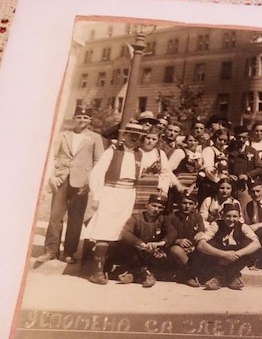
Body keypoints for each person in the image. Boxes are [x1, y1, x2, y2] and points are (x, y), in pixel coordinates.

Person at [37, 105, 104, 264]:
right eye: (79, 117)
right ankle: (51, 251)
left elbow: (98, 162)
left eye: (85, 118)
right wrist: (52, 176)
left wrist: (90, 182)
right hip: (61, 179)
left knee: (75, 218)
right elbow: (52, 157)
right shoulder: (63, 135)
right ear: (74, 119)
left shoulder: (94, 138)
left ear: (90, 120)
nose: (82, 120)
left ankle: (69, 252)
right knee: (55, 216)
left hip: (82, 182)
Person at [85, 122, 147, 284]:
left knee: (122, 231)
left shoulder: (140, 154)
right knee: (104, 229)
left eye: (138, 136)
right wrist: (97, 196)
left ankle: (115, 269)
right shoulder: (112, 151)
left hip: (128, 195)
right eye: (131, 134)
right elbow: (96, 174)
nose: (134, 138)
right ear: (124, 135)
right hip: (110, 193)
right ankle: (98, 271)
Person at [186, 202, 261, 290]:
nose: (231, 219)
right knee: (209, 244)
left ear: (239, 217)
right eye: (228, 216)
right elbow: (201, 245)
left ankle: (228, 276)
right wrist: (224, 255)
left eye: (235, 216)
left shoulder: (243, 226)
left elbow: (257, 244)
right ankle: (222, 277)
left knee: (249, 244)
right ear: (223, 216)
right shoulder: (216, 225)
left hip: (235, 257)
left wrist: (236, 254)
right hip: (218, 257)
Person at [107, 193, 175, 288]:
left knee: (160, 258)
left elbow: (172, 232)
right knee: (131, 253)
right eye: (153, 206)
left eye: (160, 207)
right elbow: (126, 233)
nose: (156, 209)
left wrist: (160, 243)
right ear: (146, 205)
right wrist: (141, 244)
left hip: (153, 251)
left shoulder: (162, 219)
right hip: (137, 250)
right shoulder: (136, 218)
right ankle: (142, 275)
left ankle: (134, 275)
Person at [166, 191, 206, 283]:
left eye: (190, 203)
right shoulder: (171, 217)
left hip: (192, 247)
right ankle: (191, 275)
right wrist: (177, 241)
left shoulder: (197, 217)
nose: (187, 206)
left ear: (195, 205)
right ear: (179, 204)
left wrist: (200, 234)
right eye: (184, 203)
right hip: (176, 248)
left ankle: (190, 273)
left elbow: (201, 230)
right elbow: (166, 235)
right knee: (176, 250)